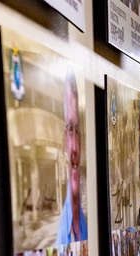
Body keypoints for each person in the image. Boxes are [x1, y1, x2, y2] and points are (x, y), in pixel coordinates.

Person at [56, 71, 86, 246]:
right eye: (69, 130)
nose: (74, 148)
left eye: (77, 130)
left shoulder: (85, 226)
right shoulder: (60, 240)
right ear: (63, 139)